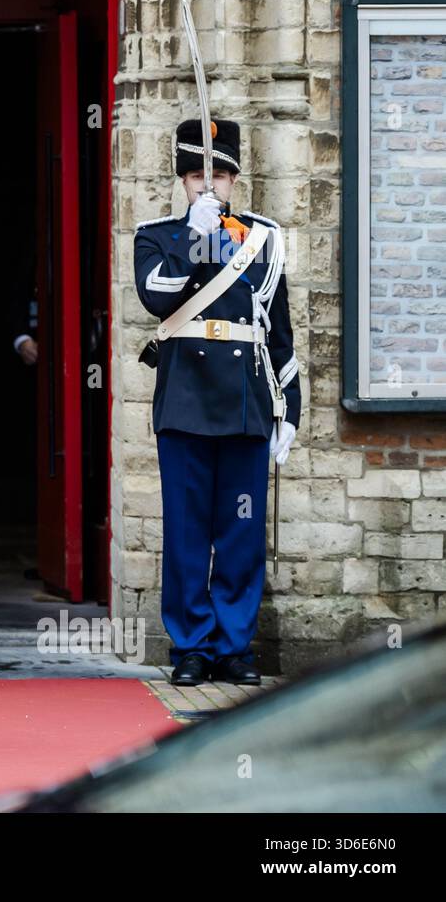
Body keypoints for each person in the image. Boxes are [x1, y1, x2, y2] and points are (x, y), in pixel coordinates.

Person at [133, 117, 301, 688]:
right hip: (184, 402)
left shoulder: (263, 238)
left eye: (220, 174)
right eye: (198, 174)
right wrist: (190, 240)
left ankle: (234, 645)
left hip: (246, 402)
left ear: (234, 177)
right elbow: (156, 298)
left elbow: (278, 330)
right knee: (185, 531)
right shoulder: (156, 236)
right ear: (182, 179)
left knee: (240, 532)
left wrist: (291, 409)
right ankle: (191, 645)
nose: (209, 184)